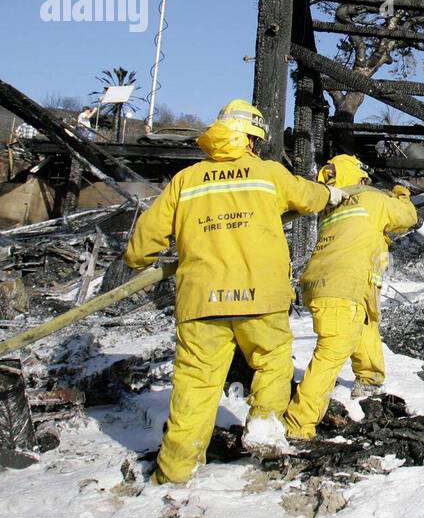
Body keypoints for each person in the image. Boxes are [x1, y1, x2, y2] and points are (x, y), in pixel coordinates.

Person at [122, 99, 344, 484]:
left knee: (194, 384)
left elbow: (142, 244)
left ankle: (175, 472)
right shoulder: (267, 173)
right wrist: (331, 196)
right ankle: (263, 428)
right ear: (253, 140)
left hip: (201, 301)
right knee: (272, 363)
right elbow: (308, 197)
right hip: (261, 296)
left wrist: (140, 261)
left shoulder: (186, 180)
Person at [284, 154, 418, 440]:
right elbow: (408, 218)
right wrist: (402, 194)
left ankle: (369, 376)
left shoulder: (331, 208)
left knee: (364, 320)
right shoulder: (373, 198)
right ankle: (299, 424)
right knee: (330, 354)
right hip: (343, 286)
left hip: (323, 285)